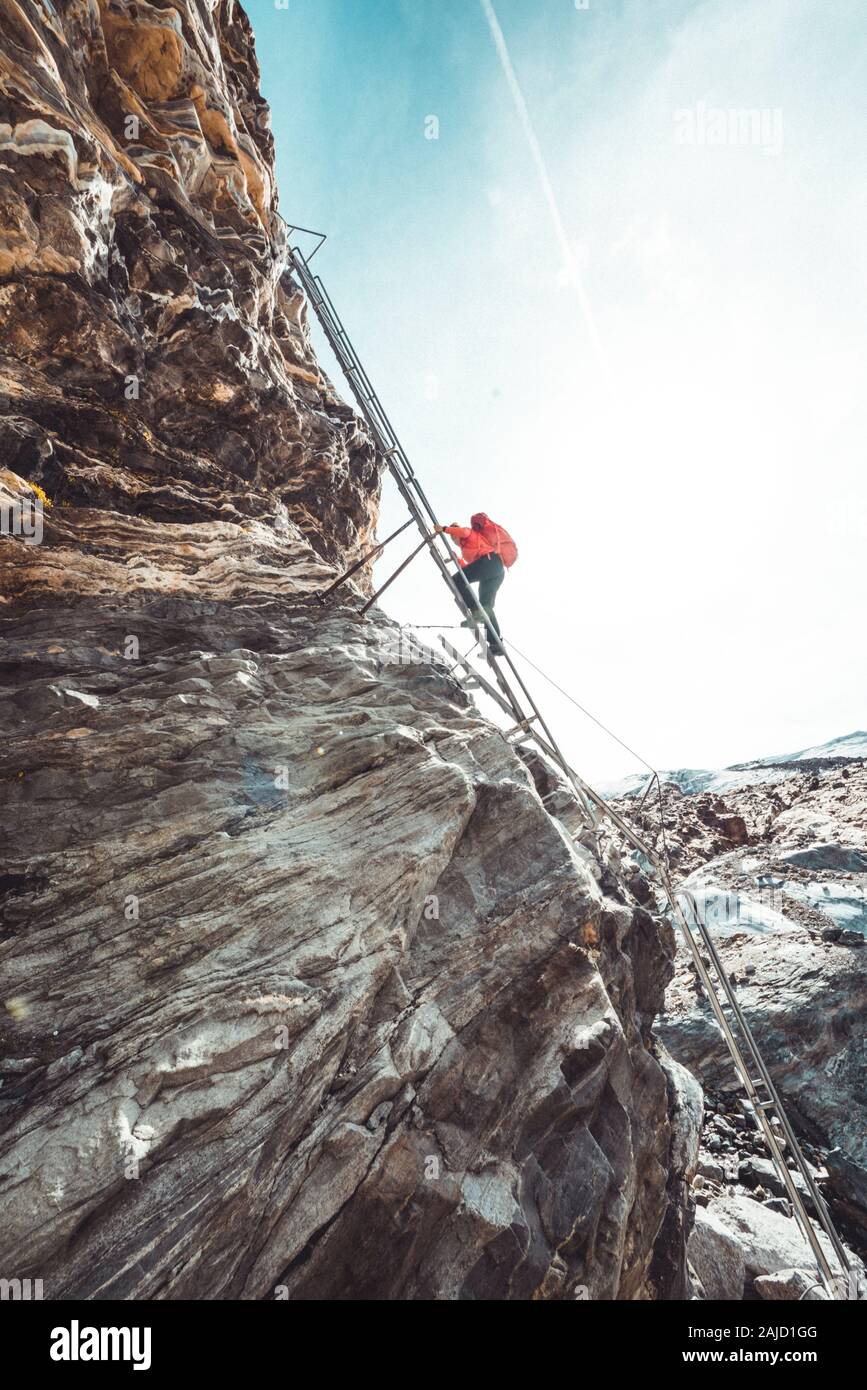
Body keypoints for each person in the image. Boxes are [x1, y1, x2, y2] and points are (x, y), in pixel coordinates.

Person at [435, 512, 518, 657]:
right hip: (495, 570)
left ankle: (475, 612)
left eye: (454, 537)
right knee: (486, 606)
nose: (454, 539)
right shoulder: (466, 548)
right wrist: (457, 559)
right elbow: (470, 567)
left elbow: (463, 531)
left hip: (490, 562)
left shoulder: (468, 533)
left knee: (456, 581)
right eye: (452, 538)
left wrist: (444, 529)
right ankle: (496, 644)